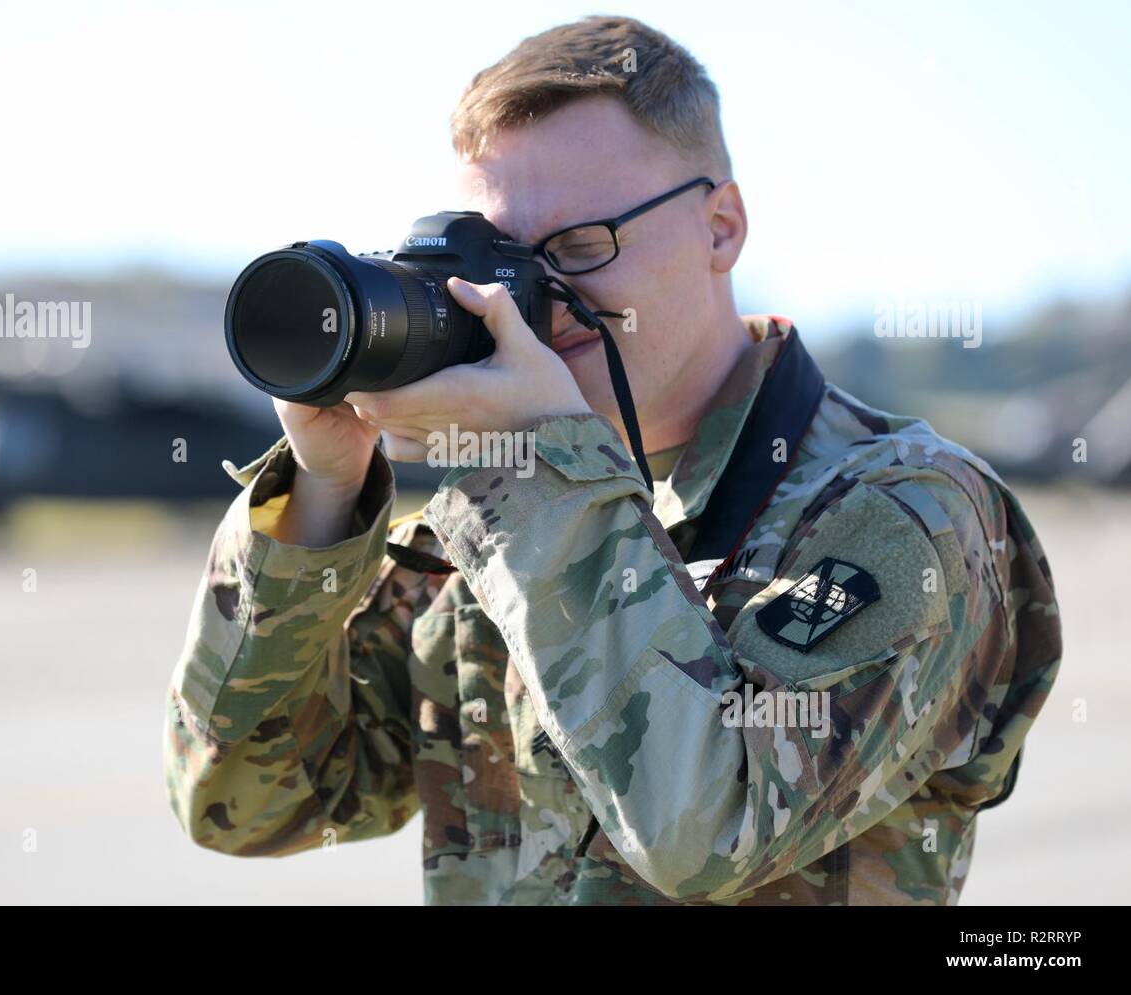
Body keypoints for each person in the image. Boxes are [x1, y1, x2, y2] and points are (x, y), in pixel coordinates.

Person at [164, 14, 1061, 905]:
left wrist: (537, 468)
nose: (540, 300)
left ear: (720, 227)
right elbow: (246, 802)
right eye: (506, 260)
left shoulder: (906, 511)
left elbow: (711, 830)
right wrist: (322, 496)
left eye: (582, 248)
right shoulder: (490, 528)